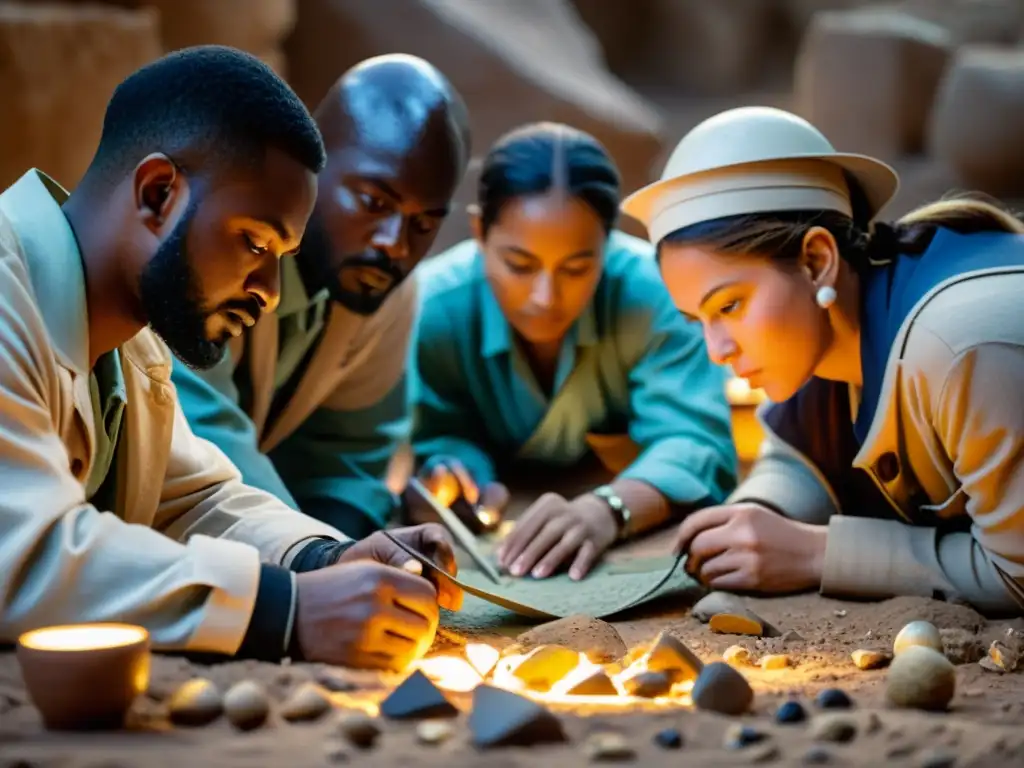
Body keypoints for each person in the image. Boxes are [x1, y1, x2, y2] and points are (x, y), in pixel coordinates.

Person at [0, 46, 460, 672]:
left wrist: (324, 559)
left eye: (282, 255)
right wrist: (285, 609)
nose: (269, 291)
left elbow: (194, 501)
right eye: (254, 242)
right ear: (159, 193)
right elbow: (21, 555)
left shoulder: (128, 344)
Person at [621, 105, 1024, 616]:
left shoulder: (961, 349)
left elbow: (1018, 573)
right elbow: (798, 457)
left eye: (729, 306)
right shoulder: (833, 326)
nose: (717, 349)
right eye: (696, 319)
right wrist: (755, 515)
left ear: (816, 261)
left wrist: (818, 553)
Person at [411, 122, 738, 582]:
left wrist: (610, 509)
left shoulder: (657, 295)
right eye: (519, 265)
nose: (545, 296)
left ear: (609, 242)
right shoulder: (431, 308)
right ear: (479, 231)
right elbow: (422, 433)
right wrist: (454, 472)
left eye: (577, 267)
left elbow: (695, 443)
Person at [171, 54, 471, 539]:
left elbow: (350, 461)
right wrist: (321, 558)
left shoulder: (386, 289)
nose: (395, 243)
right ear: (313, 162)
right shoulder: (220, 245)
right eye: (374, 202)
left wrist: (347, 555)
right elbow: (199, 440)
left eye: (423, 223)